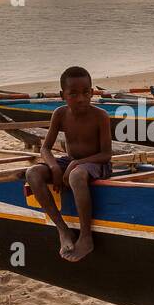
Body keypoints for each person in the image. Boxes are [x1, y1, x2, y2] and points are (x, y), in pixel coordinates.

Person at [25, 66, 112, 262]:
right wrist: (55, 167)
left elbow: (106, 154)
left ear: (91, 92)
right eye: (73, 93)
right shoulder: (60, 114)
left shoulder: (100, 116)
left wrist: (76, 164)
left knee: (76, 174)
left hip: (95, 163)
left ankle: (86, 236)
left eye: (85, 92)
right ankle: (63, 230)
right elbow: (45, 149)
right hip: (71, 162)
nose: (81, 98)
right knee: (32, 173)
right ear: (63, 95)